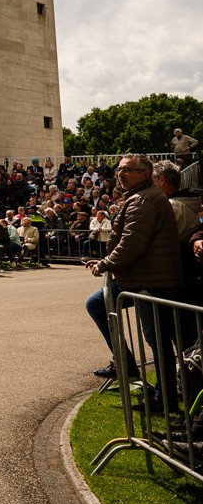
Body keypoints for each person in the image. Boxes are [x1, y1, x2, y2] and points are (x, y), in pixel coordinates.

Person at [87, 153, 184, 407]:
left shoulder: (145, 198)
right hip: (140, 278)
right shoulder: (138, 197)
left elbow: (132, 243)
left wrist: (105, 264)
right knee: (97, 303)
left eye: (128, 170)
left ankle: (164, 398)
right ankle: (126, 365)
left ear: (145, 173)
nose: (121, 174)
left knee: (157, 339)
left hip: (151, 281)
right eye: (119, 170)